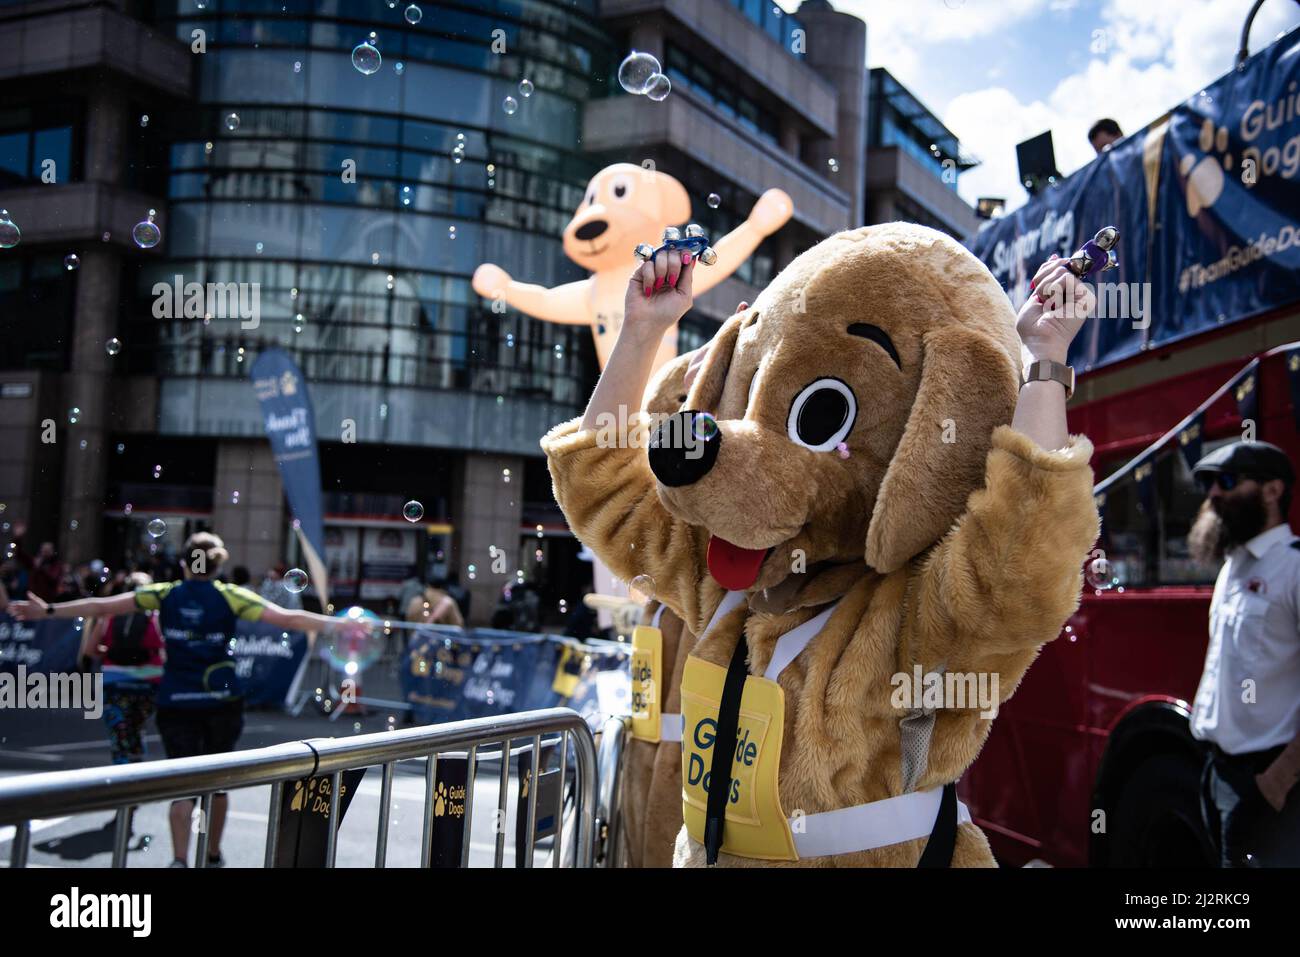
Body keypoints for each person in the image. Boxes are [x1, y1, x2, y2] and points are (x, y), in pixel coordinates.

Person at [8, 531, 372, 868]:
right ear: (218, 565)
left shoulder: (165, 593)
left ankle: (180, 860)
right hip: (221, 702)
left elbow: (104, 607)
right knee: (219, 781)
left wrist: (50, 611)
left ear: (184, 562)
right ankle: (212, 856)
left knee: (182, 783)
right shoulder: (230, 595)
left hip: (176, 701)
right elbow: (288, 619)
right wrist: (340, 625)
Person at [1188, 440, 1300, 866]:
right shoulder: (1232, 565)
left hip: (1270, 778)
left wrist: (1278, 780)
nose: (1214, 494)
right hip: (1217, 770)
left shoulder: (1293, 567)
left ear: (1272, 491)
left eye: (1228, 481)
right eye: (1210, 484)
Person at [83, 572, 164, 766]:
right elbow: (164, 652)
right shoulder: (156, 617)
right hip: (148, 685)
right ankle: (136, 760)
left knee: (119, 733)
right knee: (136, 726)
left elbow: (89, 650)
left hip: (114, 683)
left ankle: (121, 772)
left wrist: (109, 652)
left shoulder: (109, 617)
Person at [9, 521, 65, 602]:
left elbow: (53, 578)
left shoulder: (56, 565)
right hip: (32, 599)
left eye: (47, 550)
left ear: (52, 552)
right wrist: (17, 538)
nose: (44, 553)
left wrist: (40, 567)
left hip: (47, 601)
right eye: (43, 550)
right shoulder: (35, 561)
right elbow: (19, 555)